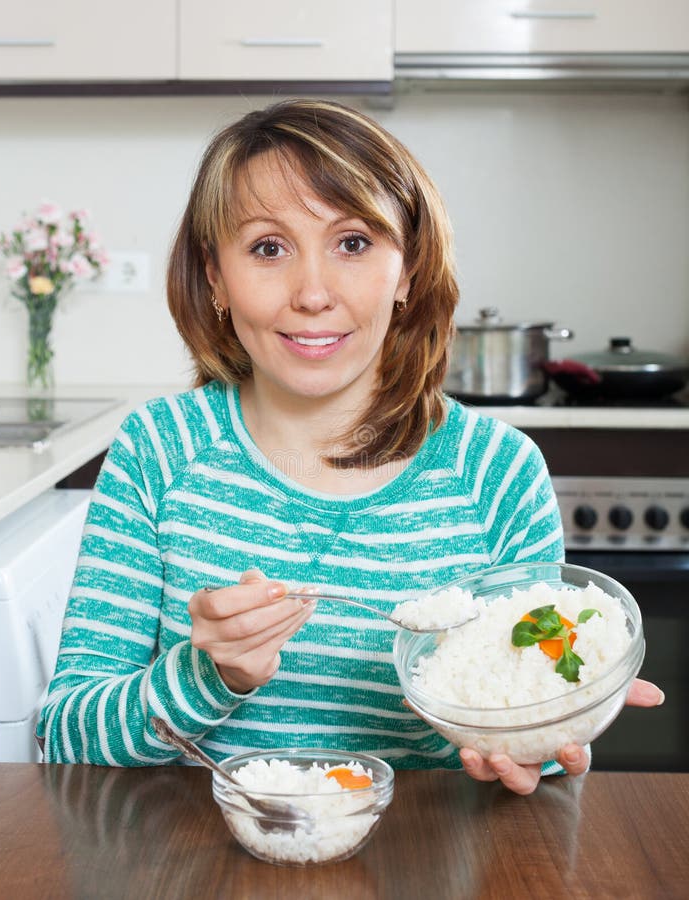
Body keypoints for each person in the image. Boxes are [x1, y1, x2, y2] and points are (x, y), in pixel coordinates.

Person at [37, 99, 661, 794]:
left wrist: (537, 740)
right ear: (214, 277)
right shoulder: (160, 451)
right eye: (269, 248)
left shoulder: (496, 472)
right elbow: (64, 735)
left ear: (409, 271)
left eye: (354, 243)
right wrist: (207, 673)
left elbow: (536, 731)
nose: (311, 293)